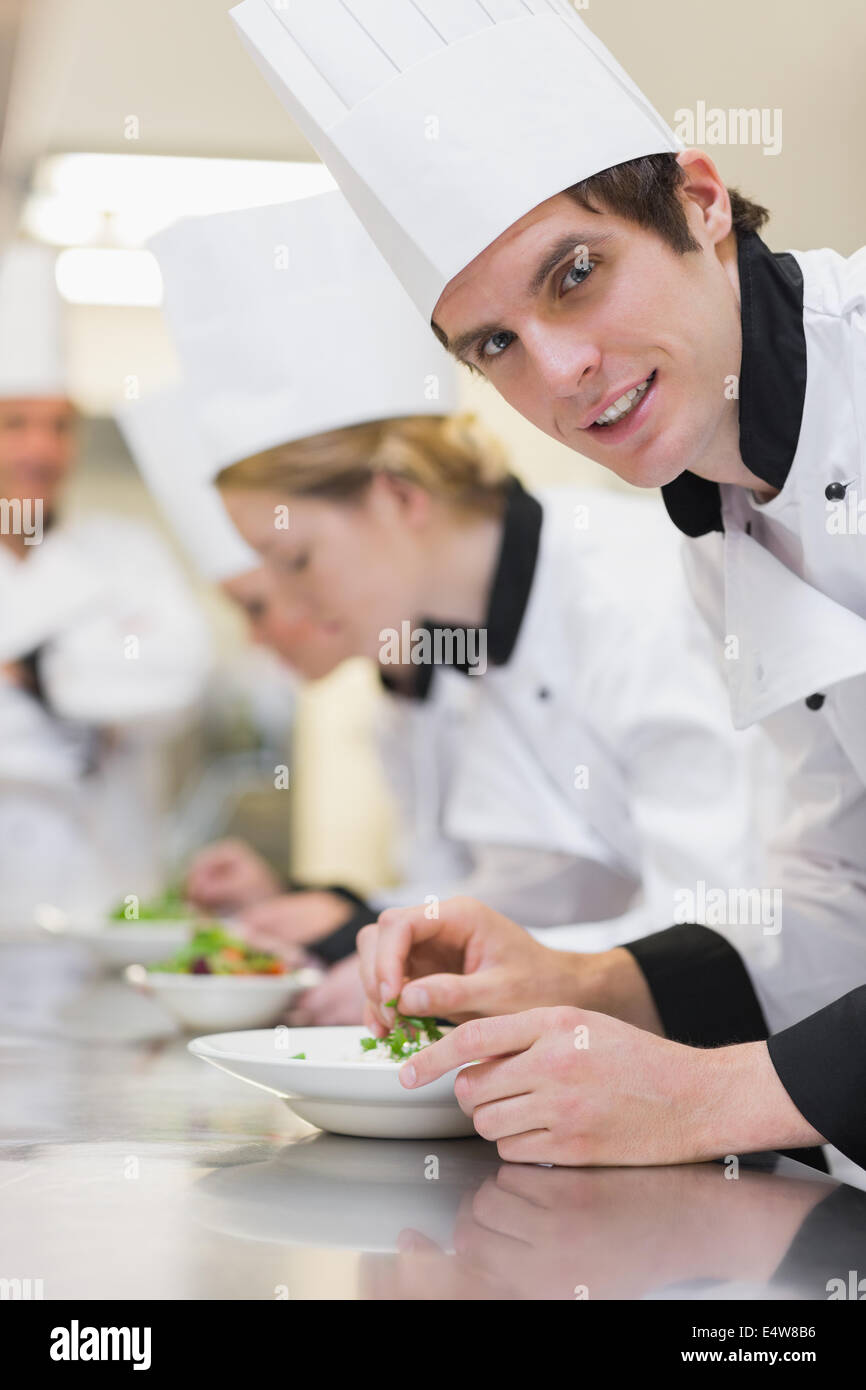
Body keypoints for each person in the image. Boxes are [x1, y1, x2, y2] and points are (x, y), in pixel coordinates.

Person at [232, 0, 866, 1175]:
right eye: (492, 345)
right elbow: (837, 897)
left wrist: (714, 1098)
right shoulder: (720, 521)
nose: (560, 371)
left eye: (575, 275)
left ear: (699, 199)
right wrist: (581, 978)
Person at [139, 191, 765, 1026]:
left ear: (399, 496)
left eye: (296, 562)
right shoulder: (448, 651)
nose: (291, 607)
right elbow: (526, 898)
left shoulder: (636, 589)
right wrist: (360, 929)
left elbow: (733, 932)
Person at [0, 245, 210, 926]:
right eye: (16, 424)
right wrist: (90, 701)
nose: (42, 450)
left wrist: (31, 672)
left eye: (59, 426)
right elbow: (128, 687)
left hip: (106, 904)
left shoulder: (128, 554)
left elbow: (181, 679)